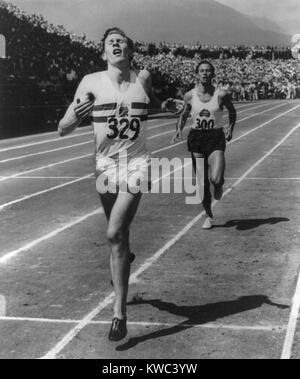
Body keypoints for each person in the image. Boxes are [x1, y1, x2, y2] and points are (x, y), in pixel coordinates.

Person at [58, 27, 183, 342]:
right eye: (109, 42)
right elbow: (62, 128)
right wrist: (77, 115)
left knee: (115, 233)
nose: (115, 44)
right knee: (120, 240)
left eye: (121, 41)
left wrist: (169, 108)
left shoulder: (142, 79)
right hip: (104, 167)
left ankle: (119, 315)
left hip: (136, 165)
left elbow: (151, 105)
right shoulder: (91, 82)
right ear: (103, 53)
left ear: (130, 51)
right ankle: (124, 259)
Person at [172, 60, 236, 229]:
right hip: (197, 139)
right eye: (202, 71)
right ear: (197, 74)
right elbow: (184, 114)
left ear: (213, 74)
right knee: (202, 182)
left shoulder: (221, 94)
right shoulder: (189, 95)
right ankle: (208, 215)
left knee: (215, 178)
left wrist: (230, 127)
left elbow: (232, 111)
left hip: (215, 137)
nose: (205, 74)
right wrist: (179, 129)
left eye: (208, 71)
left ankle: (219, 185)